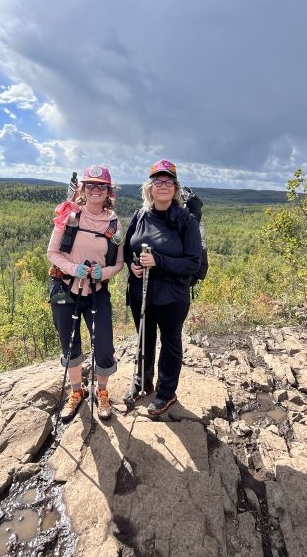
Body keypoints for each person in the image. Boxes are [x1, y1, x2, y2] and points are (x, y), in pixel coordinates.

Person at [123, 159, 202, 416]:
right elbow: (127, 249)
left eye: (169, 181)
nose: (164, 185)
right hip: (141, 292)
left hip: (172, 296)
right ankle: (142, 383)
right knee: (144, 339)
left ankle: (166, 392)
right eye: (158, 181)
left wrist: (159, 261)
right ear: (150, 187)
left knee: (170, 343)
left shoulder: (186, 220)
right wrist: (132, 265)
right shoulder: (140, 216)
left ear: (175, 188)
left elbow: (193, 263)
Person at [48, 165, 124, 422]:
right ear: (82, 188)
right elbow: (52, 252)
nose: (95, 189)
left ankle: (102, 392)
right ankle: (76, 391)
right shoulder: (70, 215)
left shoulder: (113, 223)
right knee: (69, 343)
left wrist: (104, 273)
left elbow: (119, 262)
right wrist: (73, 269)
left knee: (103, 345)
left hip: (96, 291)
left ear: (109, 191)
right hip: (65, 288)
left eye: (101, 185)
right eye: (90, 184)